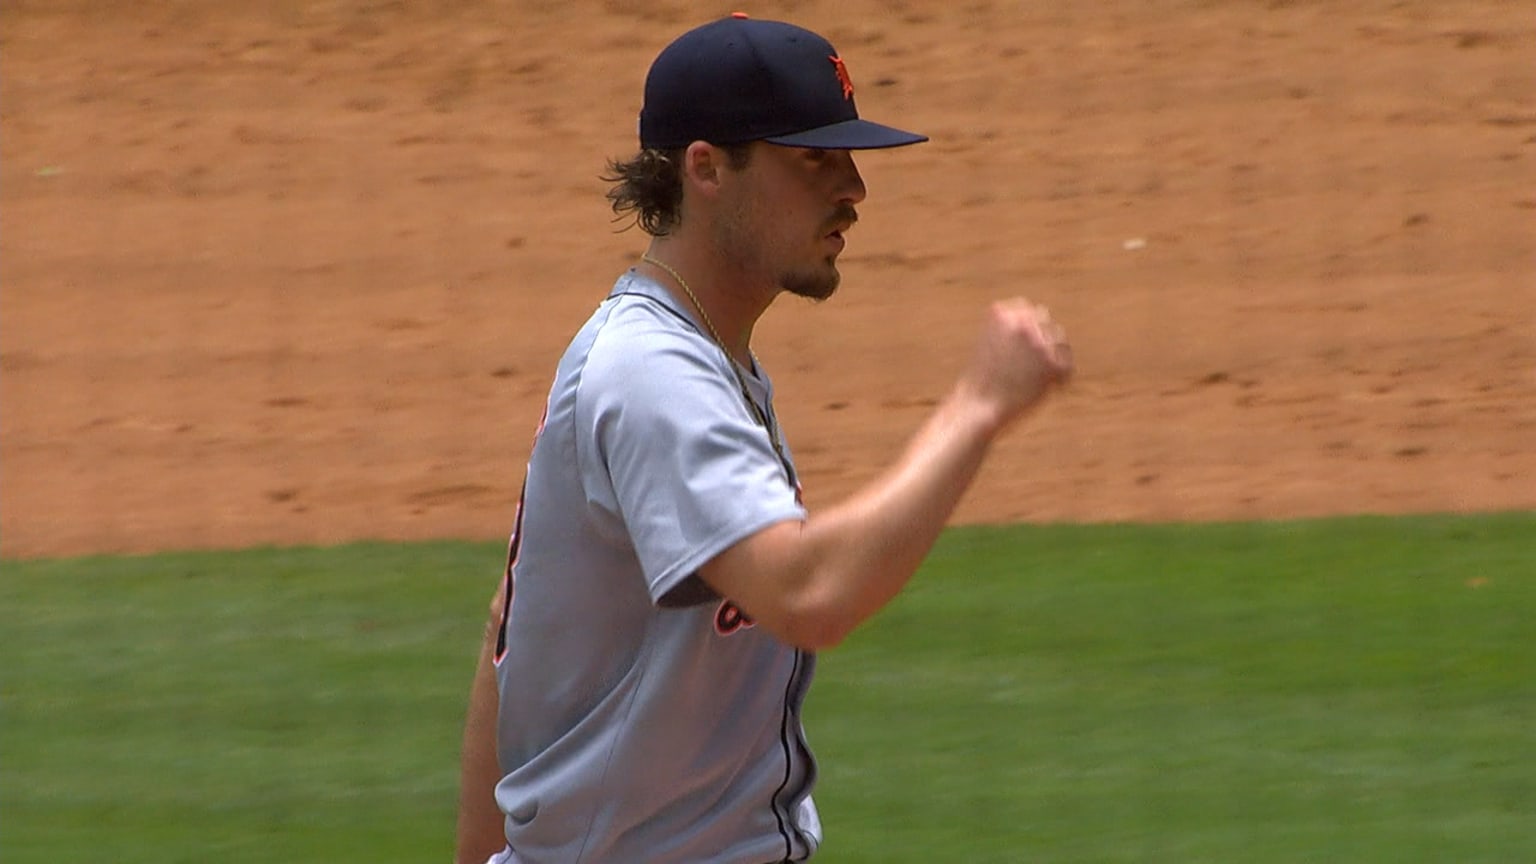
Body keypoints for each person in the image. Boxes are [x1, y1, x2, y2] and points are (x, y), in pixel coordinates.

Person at [454, 13, 1073, 864]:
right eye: (814, 159)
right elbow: (810, 594)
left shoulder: (699, 354)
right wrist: (976, 409)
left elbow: (510, 617)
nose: (854, 187)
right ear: (706, 168)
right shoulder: (653, 373)